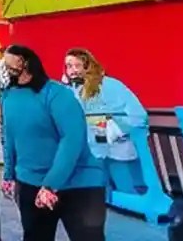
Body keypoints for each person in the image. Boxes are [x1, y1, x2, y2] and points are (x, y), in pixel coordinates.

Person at [1, 45, 106, 241]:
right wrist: (8, 175)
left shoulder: (57, 94)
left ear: (26, 63)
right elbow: (9, 137)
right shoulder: (8, 96)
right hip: (31, 183)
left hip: (79, 184)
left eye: (11, 62)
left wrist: (51, 184)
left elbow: (72, 139)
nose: (7, 67)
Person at [63, 48, 148, 197]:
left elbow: (139, 115)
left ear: (87, 65)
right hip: (91, 150)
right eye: (69, 66)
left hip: (115, 146)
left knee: (127, 190)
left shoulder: (110, 85)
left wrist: (115, 128)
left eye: (77, 65)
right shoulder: (73, 90)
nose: (72, 70)